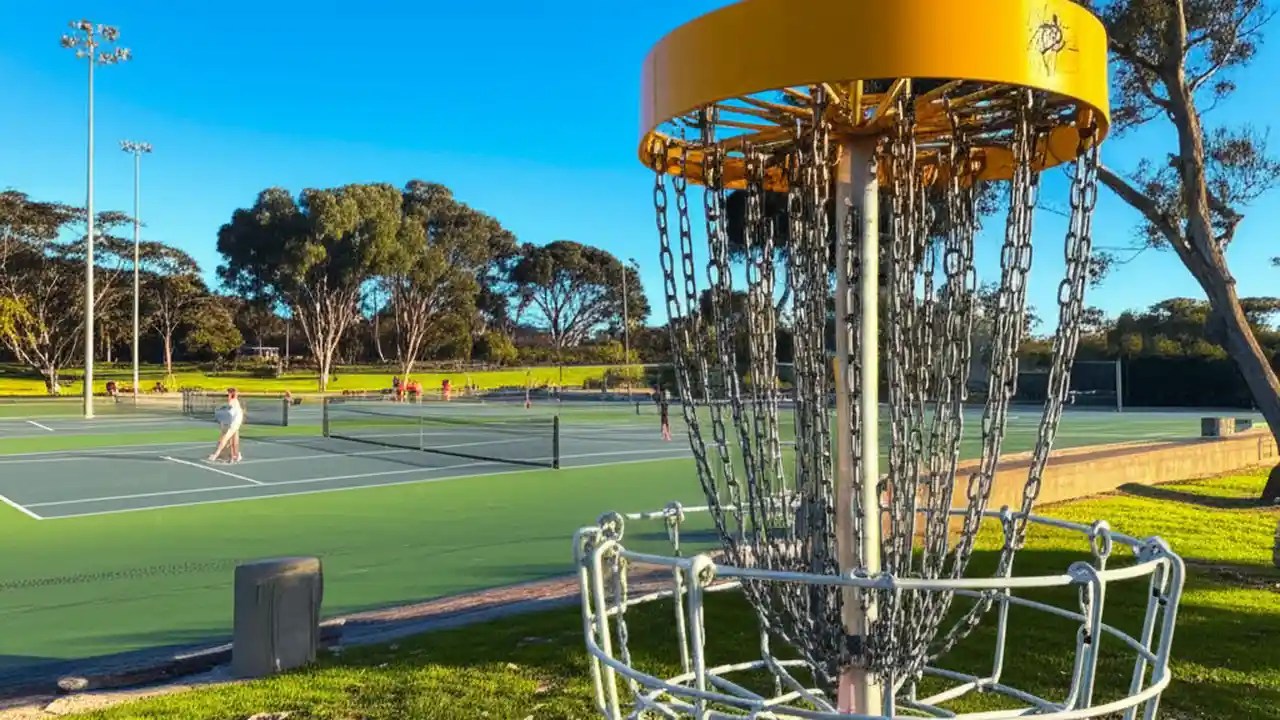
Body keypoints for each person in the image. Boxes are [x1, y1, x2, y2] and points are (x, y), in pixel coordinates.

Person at [207, 388, 245, 463]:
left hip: (235, 422)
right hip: (235, 421)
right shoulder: (233, 402)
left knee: (225, 438)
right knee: (233, 439)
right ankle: (235, 455)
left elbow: (228, 412)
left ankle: (216, 454)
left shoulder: (232, 401)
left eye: (228, 394)